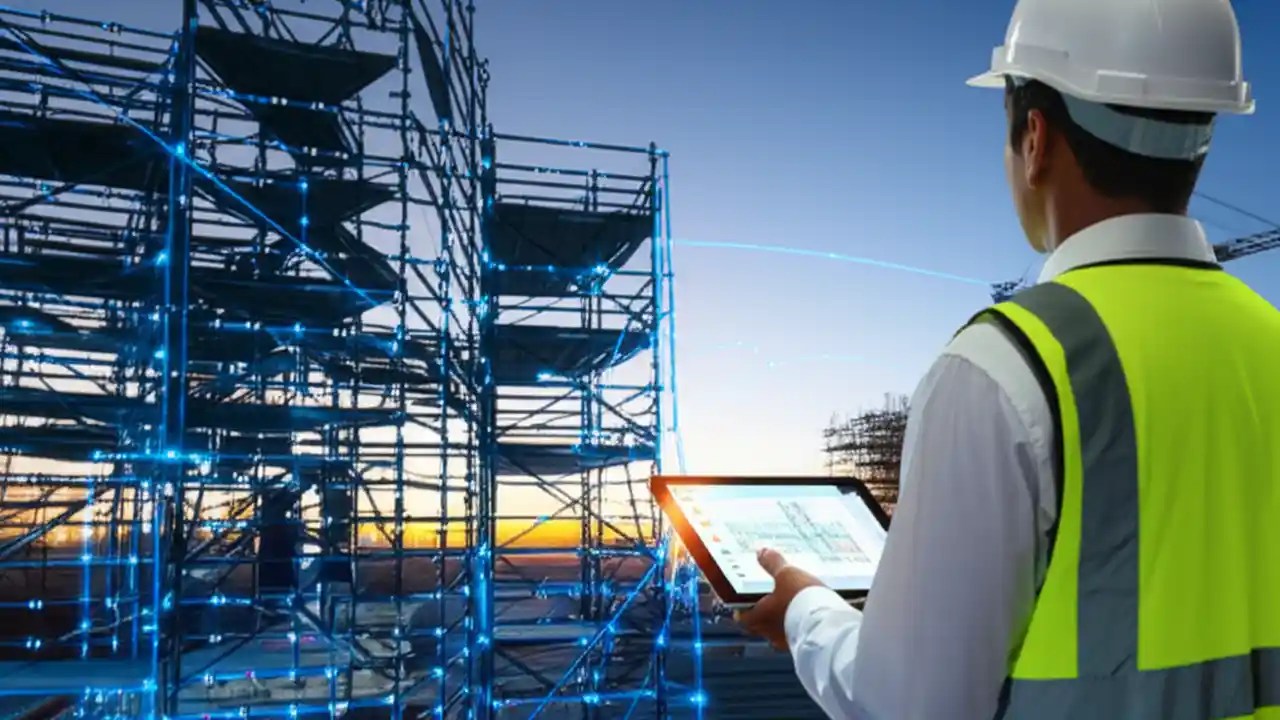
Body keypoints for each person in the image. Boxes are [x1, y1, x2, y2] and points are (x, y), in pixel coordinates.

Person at [736, 0, 1278, 717]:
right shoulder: (1266, 339)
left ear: (1034, 136)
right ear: (1203, 136)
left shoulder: (1003, 368)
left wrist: (808, 611)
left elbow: (910, 705)